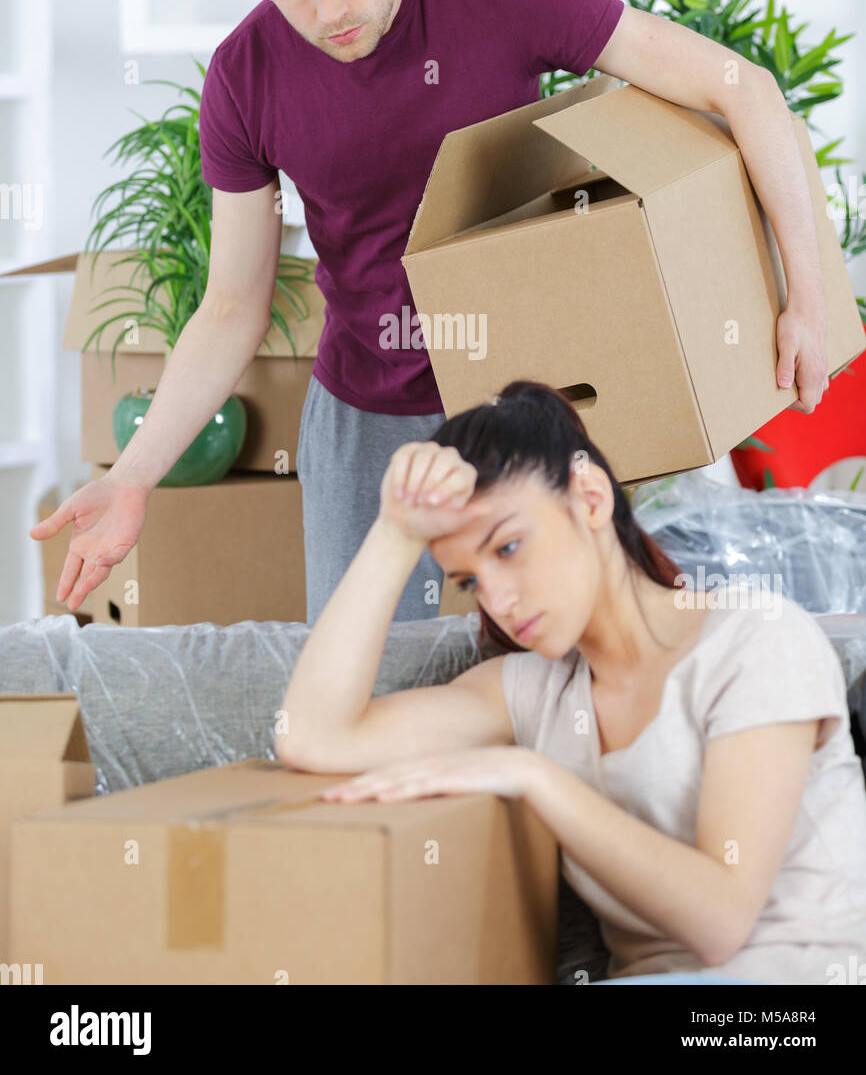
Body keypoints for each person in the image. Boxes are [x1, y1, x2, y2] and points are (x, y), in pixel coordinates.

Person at [29, 0, 829, 623]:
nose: (331, 10)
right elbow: (235, 306)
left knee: (584, 663)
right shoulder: (245, 77)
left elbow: (741, 88)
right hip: (369, 398)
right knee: (360, 679)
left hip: (536, 386)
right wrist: (131, 477)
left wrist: (806, 300)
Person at [275, 380, 866, 986]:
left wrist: (536, 779)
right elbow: (313, 736)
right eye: (470, 581)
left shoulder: (756, 641)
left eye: (507, 546)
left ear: (589, 498)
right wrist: (395, 532)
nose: (498, 599)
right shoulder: (534, 690)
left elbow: (720, 923)